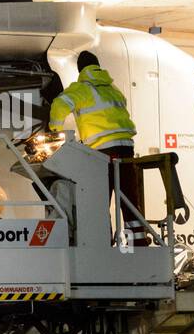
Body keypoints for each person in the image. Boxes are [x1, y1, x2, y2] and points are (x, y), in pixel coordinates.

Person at [48, 51, 146, 244]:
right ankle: (138, 245)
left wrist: (54, 130)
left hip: (103, 152)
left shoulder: (82, 89)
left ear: (80, 70)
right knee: (129, 200)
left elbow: (60, 104)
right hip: (126, 148)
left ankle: (104, 244)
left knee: (99, 201)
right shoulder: (113, 88)